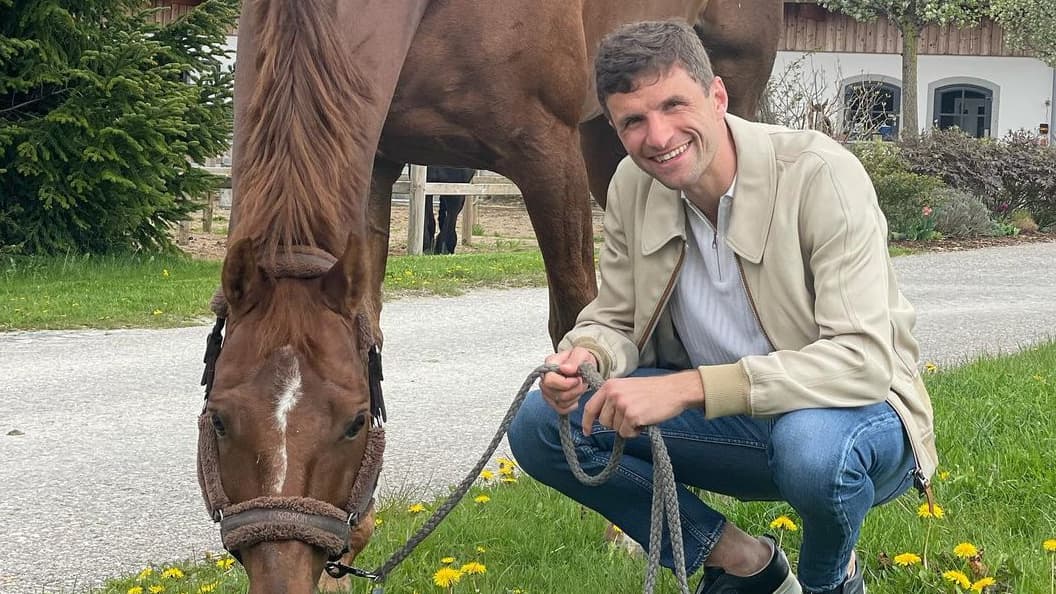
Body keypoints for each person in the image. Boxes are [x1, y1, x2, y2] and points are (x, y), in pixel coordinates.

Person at [508, 19, 937, 594]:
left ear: (717, 96)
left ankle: (828, 580)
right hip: (737, 427)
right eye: (633, 120)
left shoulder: (820, 173)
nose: (657, 137)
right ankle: (741, 563)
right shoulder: (631, 188)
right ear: (613, 127)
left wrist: (685, 388)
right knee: (542, 424)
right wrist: (586, 357)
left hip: (858, 419)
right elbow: (613, 318)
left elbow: (861, 362)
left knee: (812, 450)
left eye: (673, 105)